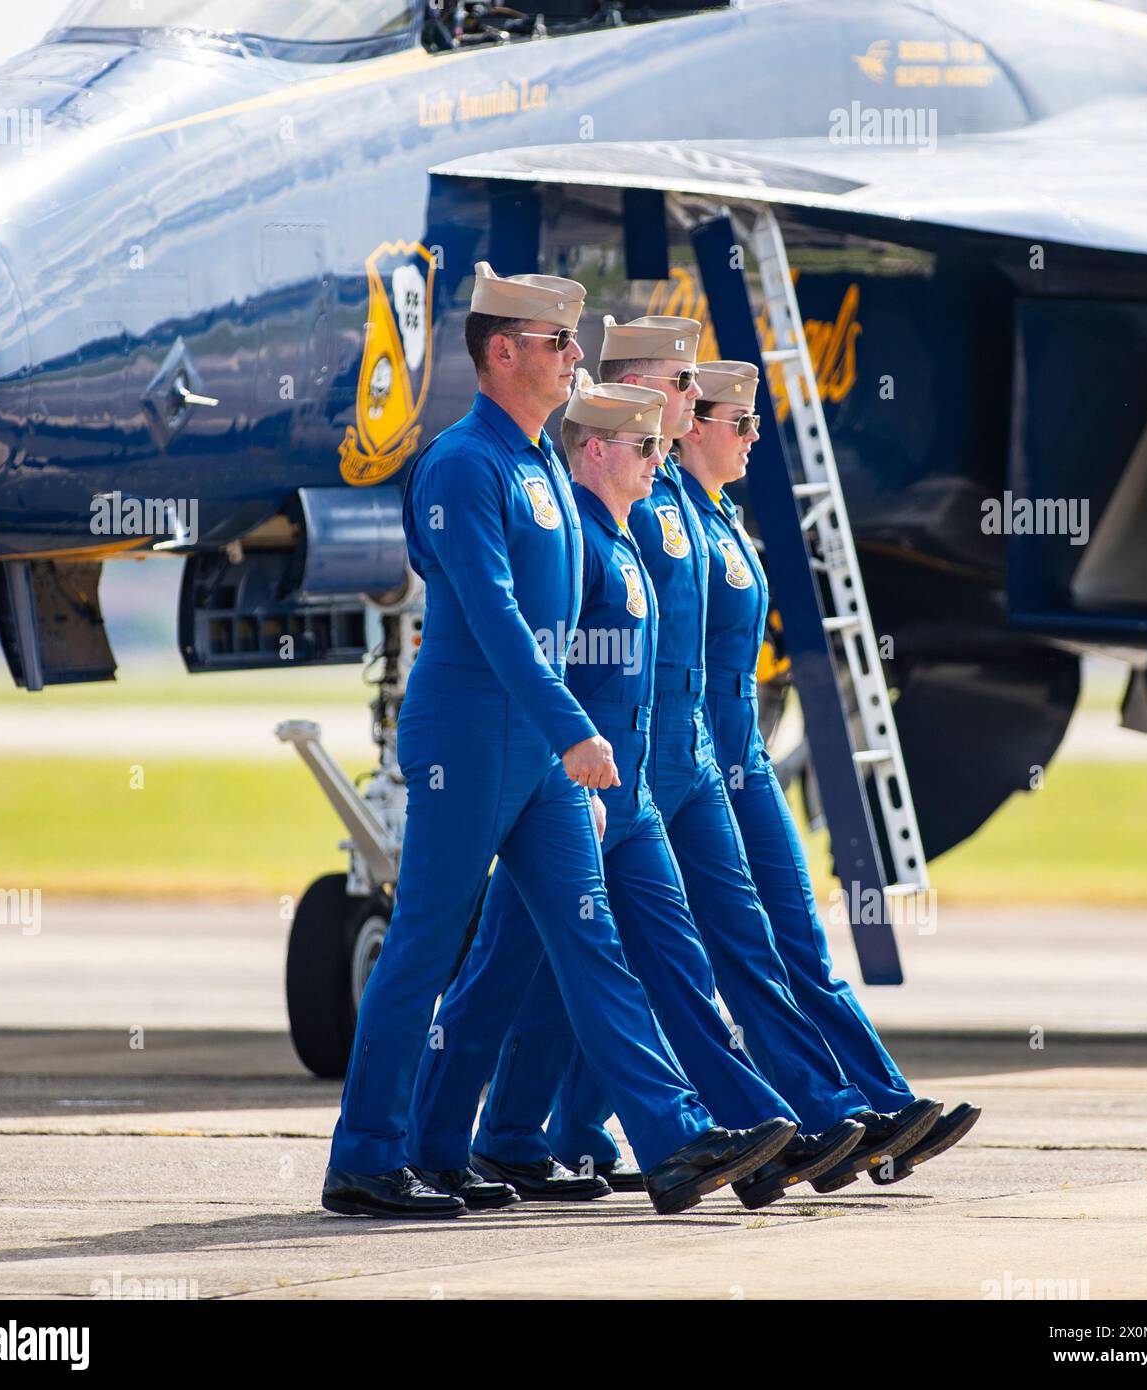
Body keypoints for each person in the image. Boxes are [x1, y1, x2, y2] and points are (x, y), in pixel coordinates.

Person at [418, 319, 940, 1211]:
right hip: (593, 770)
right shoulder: (591, 514)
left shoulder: (670, 514)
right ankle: (458, 1140)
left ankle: (736, 1126)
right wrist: (568, 754)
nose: (702, 406)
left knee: (652, 959)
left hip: (677, 761)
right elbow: (543, 643)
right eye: (685, 386)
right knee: (517, 966)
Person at [321, 266, 793, 1221]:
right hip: (470, 735)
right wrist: (576, 729)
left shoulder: (539, 462)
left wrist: (577, 730)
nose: (578, 357)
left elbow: (565, 621)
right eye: (559, 344)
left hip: (538, 751)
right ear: (504, 351)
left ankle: (671, 1140)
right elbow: (494, 616)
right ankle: (368, 1156)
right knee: (426, 943)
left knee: (590, 939)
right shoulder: (463, 464)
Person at [674, 359, 981, 1190]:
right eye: (737, 424)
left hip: (741, 753)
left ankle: (875, 1105)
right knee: (723, 953)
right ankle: (818, 1112)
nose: (752, 438)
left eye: (754, 424)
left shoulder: (720, 518)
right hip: (690, 756)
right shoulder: (665, 517)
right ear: (691, 424)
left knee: (795, 940)